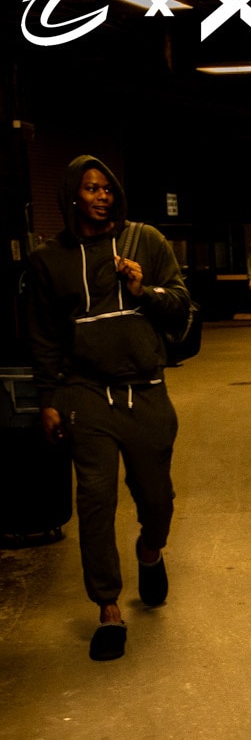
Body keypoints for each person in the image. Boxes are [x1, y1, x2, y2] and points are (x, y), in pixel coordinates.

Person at [28, 154, 191, 662]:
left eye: (107, 188)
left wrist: (145, 291)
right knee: (95, 502)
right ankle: (108, 608)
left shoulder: (146, 241)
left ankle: (150, 550)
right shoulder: (49, 260)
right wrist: (47, 399)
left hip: (145, 390)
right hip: (86, 393)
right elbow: (44, 337)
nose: (103, 196)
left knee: (157, 499)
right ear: (72, 197)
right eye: (92, 189)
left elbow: (181, 303)